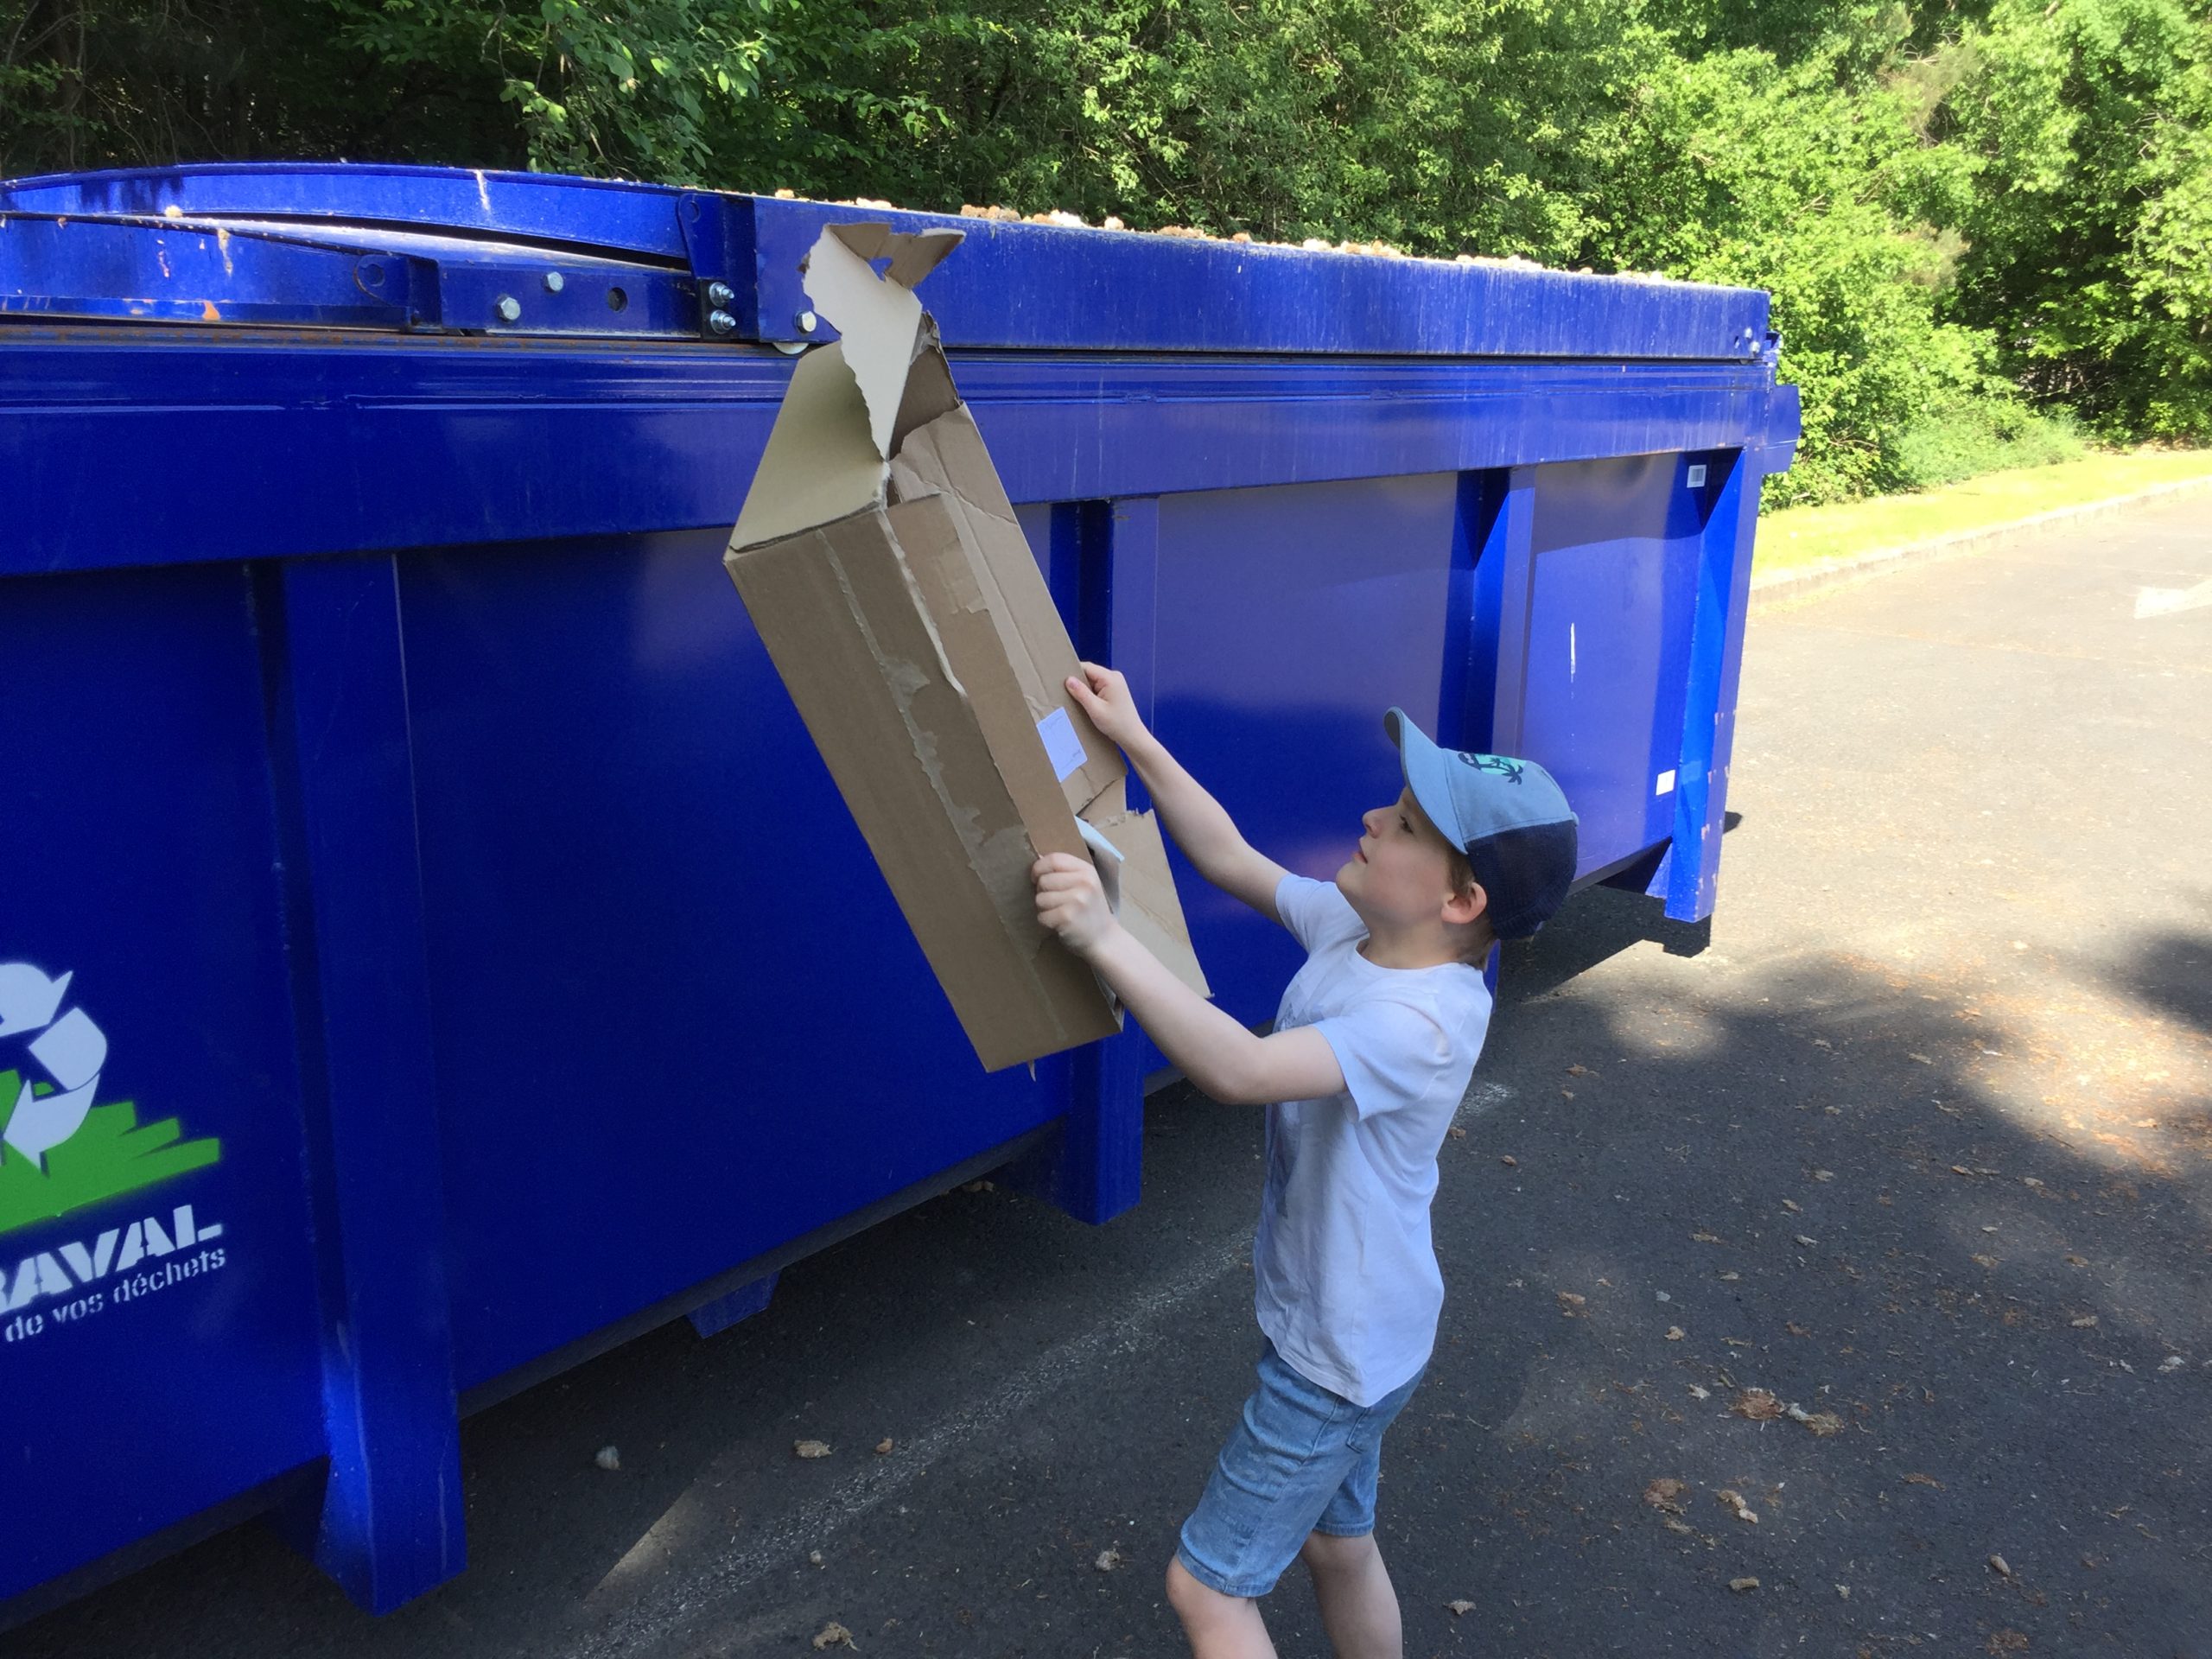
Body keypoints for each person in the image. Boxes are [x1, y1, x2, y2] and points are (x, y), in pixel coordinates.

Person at [1031, 663, 1579, 1659]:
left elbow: (1238, 1070)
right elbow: (1230, 858)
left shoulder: (1420, 1021)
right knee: (1339, 1547)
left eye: (1407, 824)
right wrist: (1136, 740)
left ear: (1461, 900)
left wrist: (1103, 939)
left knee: (1207, 1593)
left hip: (1337, 1356)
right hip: (1366, 1336)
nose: (1374, 816)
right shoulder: (1366, 937)